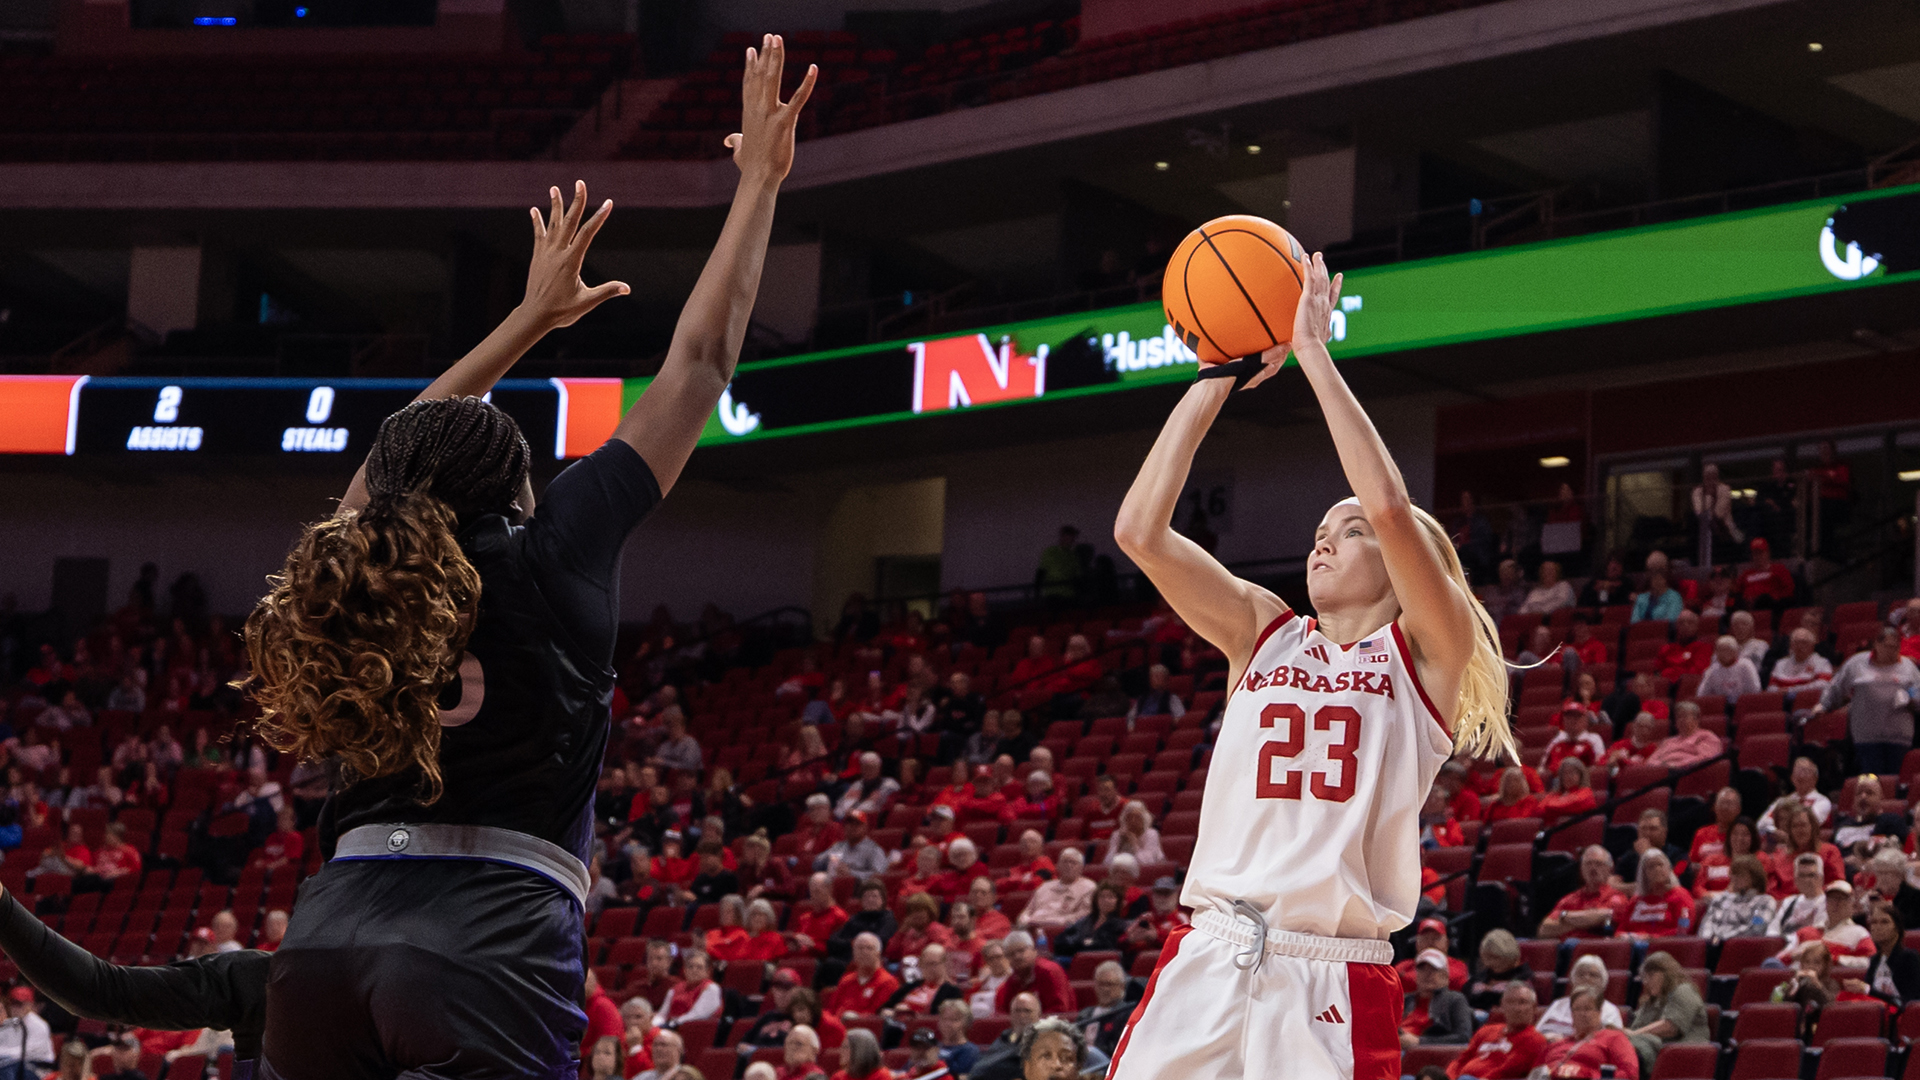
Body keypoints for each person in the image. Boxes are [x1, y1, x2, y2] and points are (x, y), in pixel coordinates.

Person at [241, 44, 818, 1080]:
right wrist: (759, 184)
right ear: (519, 489)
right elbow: (698, 365)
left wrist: (524, 322)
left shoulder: (356, 571)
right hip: (486, 936)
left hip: (327, 936)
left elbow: (391, 455)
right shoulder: (556, 552)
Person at [1107, 252, 1511, 1080]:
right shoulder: (1265, 631)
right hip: (1210, 952)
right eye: (1322, 530)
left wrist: (1314, 356)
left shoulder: (1425, 657)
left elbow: (1390, 506)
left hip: (1331, 975)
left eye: (1349, 532)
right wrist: (1214, 379)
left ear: (1407, 567)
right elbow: (1140, 533)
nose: (1326, 540)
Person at [1814, 626, 1920, 776]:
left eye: (1895, 647)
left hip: (1899, 736)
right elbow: (1836, 686)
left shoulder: (1908, 667)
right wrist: (1823, 704)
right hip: (1866, 735)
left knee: (1894, 780)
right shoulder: (1857, 663)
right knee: (1870, 779)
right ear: (1876, 644)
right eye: (1888, 646)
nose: (1892, 651)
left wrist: (1911, 700)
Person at [1622, 950, 1708, 1076]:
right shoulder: (1654, 999)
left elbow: (1670, 1027)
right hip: (1661, 1049)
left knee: (1631, 1047)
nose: (1646, 982)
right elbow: (1636, 1022)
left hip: (1685, 1053)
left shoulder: (1684, 990)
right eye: (1644, 977)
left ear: (1666, 973)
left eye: (1651, 975)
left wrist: (1634, 1034)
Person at [1532, 987, 1639, 1078]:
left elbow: (1630, 1074)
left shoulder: (1614, 1038)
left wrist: (1586, 1074)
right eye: (1577, 1009)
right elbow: (1534, 1075)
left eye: (1588, 1009)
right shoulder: (1555, 1045)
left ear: (1599, 1012)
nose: (1582, 1014)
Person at [1446, 982, 1545, 1079]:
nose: (1517, 1008)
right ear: (1502, 1006)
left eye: (1522, 1002)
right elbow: (1460, 1061)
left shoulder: (1535, 1040)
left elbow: (1507, 1070)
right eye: (1510, 1002)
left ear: (1534, 1008)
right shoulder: (1486, 1030)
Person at [1537, 846, 1623, 939]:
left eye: (1598, 864)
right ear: (1581, 869)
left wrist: (1564, 916)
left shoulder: (1616, 897)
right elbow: (1543, 930)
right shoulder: (1569, 899)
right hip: (1568, 946)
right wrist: (1590, 920)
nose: (1593, 868)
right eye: (1588, 863)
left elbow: (1608, 915)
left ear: (1610, 869)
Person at [1535, 955, 1624, 1039]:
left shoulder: (1610, 1010)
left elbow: (1611, 1040)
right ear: (1572, 979)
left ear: (1603, 981)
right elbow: (1538, 1033)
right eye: (1581, 974)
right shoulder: (1558, 1004)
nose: (1586, 978)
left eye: (1593, 975)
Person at [1399, 950, 1473, 1048]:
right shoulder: (1404, 1000)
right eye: (1422, 969)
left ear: (1445, 976)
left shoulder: (1455, 1000)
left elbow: (1463, 1037)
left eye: (1434, 970)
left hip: (1425, 1052)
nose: (1427, 974)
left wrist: (1420, 1041)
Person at [1849, 905, 1920, 1007]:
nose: (1878, 927)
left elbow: (1910, 1001)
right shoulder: (1874, 960)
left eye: (1884, 922)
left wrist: (1867, 989)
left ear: (1897, 928)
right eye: (1874, 922)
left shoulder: (1909, 958)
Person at [1766, 803, 1844, 895]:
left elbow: (1837, 885)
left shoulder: (1830, 851)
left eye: (1803, 825)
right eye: (1795, 826)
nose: (1800, 830)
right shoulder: (1778, 857)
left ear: (1813, 827)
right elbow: (1771, 891)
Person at [994, 930, 1074, 1015]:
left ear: (1034, 951)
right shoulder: (1012, 981)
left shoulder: (1050, 971)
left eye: (1021, 951)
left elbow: (1060, 1010)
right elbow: (1006, 1013)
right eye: (1011, 954)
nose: (1017, 957)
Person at [826, 933, 900, 1020]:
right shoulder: (846, 980)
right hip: (838, 1024)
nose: (864, 952)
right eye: (860, 948)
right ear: (854, 953)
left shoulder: (887, 982)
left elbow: (878, 1016)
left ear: (878, 953)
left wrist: (855, 1018)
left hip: (863, 1026)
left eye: (869, 948)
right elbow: (832, 1010)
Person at [1016, 848, 1093, 929]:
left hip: (1062, 930)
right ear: (1058, 866)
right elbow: (1027, 911)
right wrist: (1024, 920)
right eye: (1065, 862)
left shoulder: (1088, 888)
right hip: (1033, 927)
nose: (1068, 865)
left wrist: (1055, 922)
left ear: (1081, 868)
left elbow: (1084, 916)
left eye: (1073, 862)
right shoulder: (1044, 886)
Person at [1463, 929, 1533, 1012]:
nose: (1490, 962)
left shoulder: (1525, 977)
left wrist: (1489, 990)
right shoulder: (1479, 979)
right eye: (1487, 957)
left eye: (1495, 957)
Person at [1054, 883, 1130, 958]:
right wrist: (1082, 943)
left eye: (1111, 897)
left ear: (1118, 901)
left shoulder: (1120, 925)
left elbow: (1104, 946)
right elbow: (1061, 939)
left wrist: (1080, 943)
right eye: (1101, 896)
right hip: (1073, 958)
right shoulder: (1086, 920)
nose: (1105, 900)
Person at [1766, 853, 1833, 938]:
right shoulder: (1789, 902)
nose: (1806, 880)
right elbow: (1773, 929)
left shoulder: (1827, 903)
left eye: (1811, 875)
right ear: (1795, 879)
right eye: (1802, 875)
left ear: (1821, 878)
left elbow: (1818, 933)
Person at [656, 950, 722, 1029]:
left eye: (699, 967)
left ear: (708, 971)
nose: (694, 970)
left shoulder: (711, 988)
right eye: (690, 967)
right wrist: (654, 1025)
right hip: (670, 1027)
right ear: (684, 970)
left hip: (695, 1030)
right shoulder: (674, 989)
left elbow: (697, 1015)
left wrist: (671, 1023)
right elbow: (662, 1014)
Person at [1644, 702, 1723, 769]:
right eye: (1678, 717)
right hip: (1663, 774)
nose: (1681, 720)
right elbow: (1651, 760)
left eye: (1685, 716)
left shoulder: (1706, 737)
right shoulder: (1668, 741)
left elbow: (1705, 759)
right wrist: (1662, 767)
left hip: (1688, 774)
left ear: (1696, 719)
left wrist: (1676, 765)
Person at [1767, 628, 1835, 693]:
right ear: (1791, 645)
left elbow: (1823, 685)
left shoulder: (1822, 663)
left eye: (1804, 642)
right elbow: (1771, 688)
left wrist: (1791, 690)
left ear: (1812, 645)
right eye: (1796, 642)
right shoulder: (1780, 663)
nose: (1799, 646)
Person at [1696, 636, 1761, 699]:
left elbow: (1755, 689)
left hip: (1743, 702)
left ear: (1736, 651)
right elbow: (1701, 694)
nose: (1724, 654)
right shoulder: (1712, 670)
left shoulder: (1745, 665)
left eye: (1728, 650)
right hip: (1722, 704)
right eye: (1721, 650)